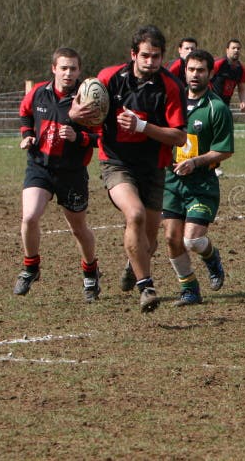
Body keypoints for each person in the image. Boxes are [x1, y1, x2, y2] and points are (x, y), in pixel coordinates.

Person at [97, 25, 187, 312]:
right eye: (145, 56)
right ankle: (146, 287)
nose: (151, 62)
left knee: (150, 241)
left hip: (153, 167)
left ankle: (132, 264)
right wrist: (77, 114)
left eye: (156, 56)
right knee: (133, 214)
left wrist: (143, 127)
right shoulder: (109, 79)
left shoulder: (170, 86)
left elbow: (180, 136)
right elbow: (84, 112)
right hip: (116, 162)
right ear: (133, 54)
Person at [15, 47, 102, 302]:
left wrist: (80, 137)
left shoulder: (88, 99)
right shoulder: (39, 93)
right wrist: (27, 135)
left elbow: (101, 138)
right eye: (63, 68)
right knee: (29, 217)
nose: (68, 73)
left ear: (79, 71)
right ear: (54, 68)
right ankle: (31, 266)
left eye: (73, 68)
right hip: (40, 166)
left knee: (78, 229)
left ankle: (90, 272)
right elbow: (25, 113)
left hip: (72, 173)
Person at [162, 49, 234, 306]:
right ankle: (190, 288)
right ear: (184, 71)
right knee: (171, 238)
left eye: (200, 70)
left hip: (201, 185)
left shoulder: (217, 108)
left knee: (191, 239)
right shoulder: (172, 102)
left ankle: (212, 258)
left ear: (210, 73)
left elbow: (224, 149)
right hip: (171, 183)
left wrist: (195, 161)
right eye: (191, 69)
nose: (195, 75)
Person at [211, 39, 245, 113]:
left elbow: (241, 88)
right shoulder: (218, 64)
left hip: (226, 104)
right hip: (212, 102)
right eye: (233, 48)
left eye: (238, 48)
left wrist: (243, 101)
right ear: (227, 50)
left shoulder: (241, 69)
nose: (236, 50)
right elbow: (205, 78)